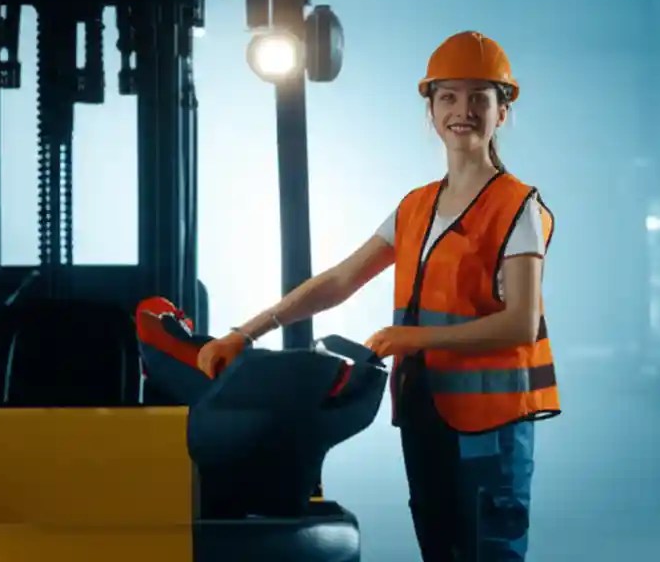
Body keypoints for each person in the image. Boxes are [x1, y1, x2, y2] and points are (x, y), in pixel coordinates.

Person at [197, 30, 561, 561]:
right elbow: (339, 281)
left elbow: (520, 324)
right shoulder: (416, 207)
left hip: (492, 428)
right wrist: (246, 331)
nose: (463, 111)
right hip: (424, 411)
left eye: (479, 98)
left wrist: (408, 336)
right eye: (449, 97)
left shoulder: (517, 207)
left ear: (501, 112)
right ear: (431, 110)